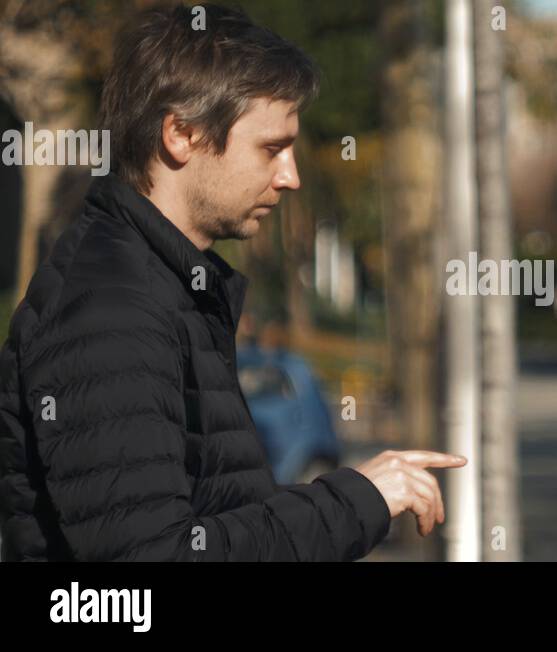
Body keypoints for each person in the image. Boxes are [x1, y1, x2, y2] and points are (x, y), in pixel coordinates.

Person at [0, 3, 465, 561]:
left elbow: (213, 515)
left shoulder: (166, 286)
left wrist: (352, 497)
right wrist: (352, 502)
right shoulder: (110, 310)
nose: (290, 176)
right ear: (181, 134)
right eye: (271, 148)